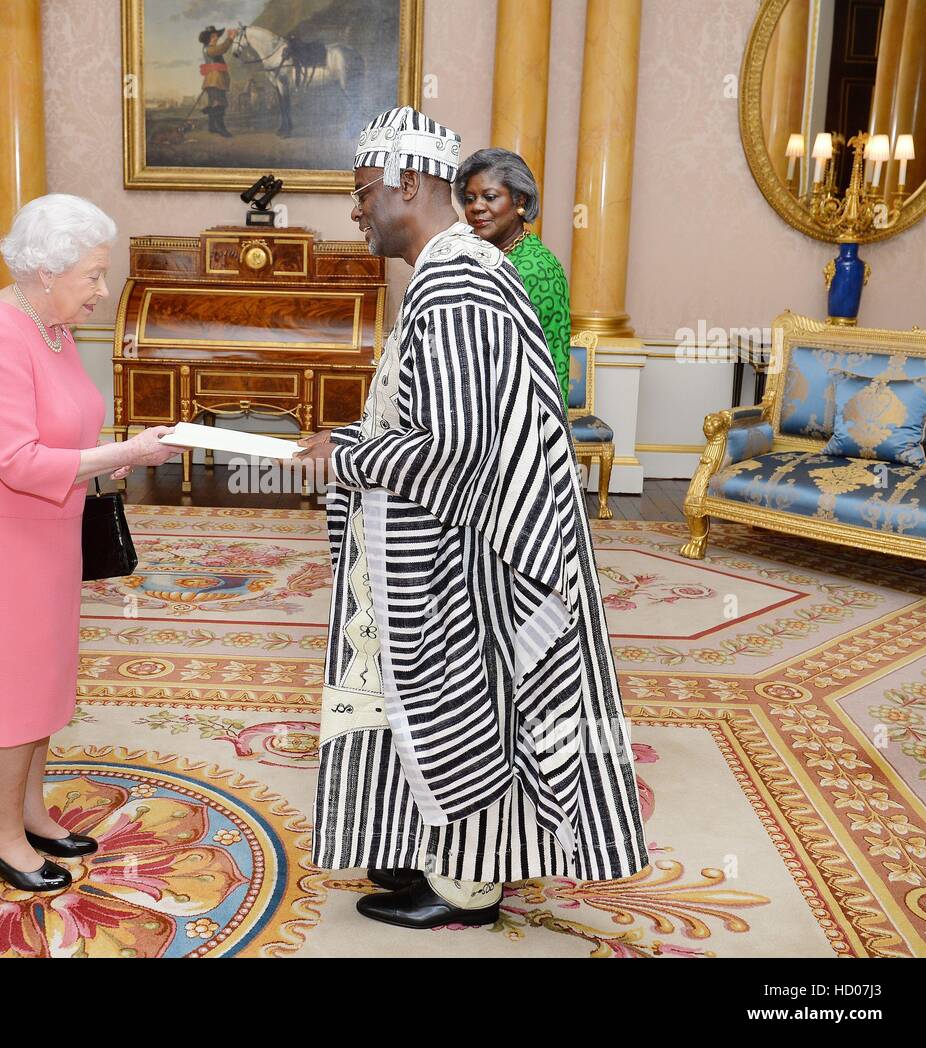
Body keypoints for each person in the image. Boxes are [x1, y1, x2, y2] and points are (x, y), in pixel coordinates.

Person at [296, 107, 648, 929]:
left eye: (361, 193)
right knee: (454, 700)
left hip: (476, 547)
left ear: (409, 184)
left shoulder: (456, 284)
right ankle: (447, 858)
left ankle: (468, 889)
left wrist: (343, 459)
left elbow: (453, 454)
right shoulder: (459, 270)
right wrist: (351, 435)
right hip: (461, 533)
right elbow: (435, 419)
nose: (355, 211)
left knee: (468, 701)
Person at [0, 194, 183, 892]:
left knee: (43, 674)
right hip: (0, 532)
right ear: (46, 271)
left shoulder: (52, 327)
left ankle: (30, 811)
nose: (104, 290)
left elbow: (62, 432)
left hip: (50, 524)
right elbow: (14, 459)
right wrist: (117, 453)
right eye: (94, 275)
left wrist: (111, 454)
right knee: (13, 684)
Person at [457, 148, 571, 407]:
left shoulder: (535, 268)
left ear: (520, 201)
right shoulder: (488, 255)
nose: (476, 207)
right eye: (469, 198)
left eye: (489, 196)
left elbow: (506, 356)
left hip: (528, 414)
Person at [198, 25, 237, 138]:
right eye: (213, 36)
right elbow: (222, 49)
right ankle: (221, 129)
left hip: (216, 79)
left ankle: (212, 127)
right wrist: (230, 38)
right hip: (215, 80)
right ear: (208, 38)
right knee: (219, 104)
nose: (216, 38)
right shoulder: (209, 49)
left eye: (216, 36)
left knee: (213, 103)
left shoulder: (210, 48)